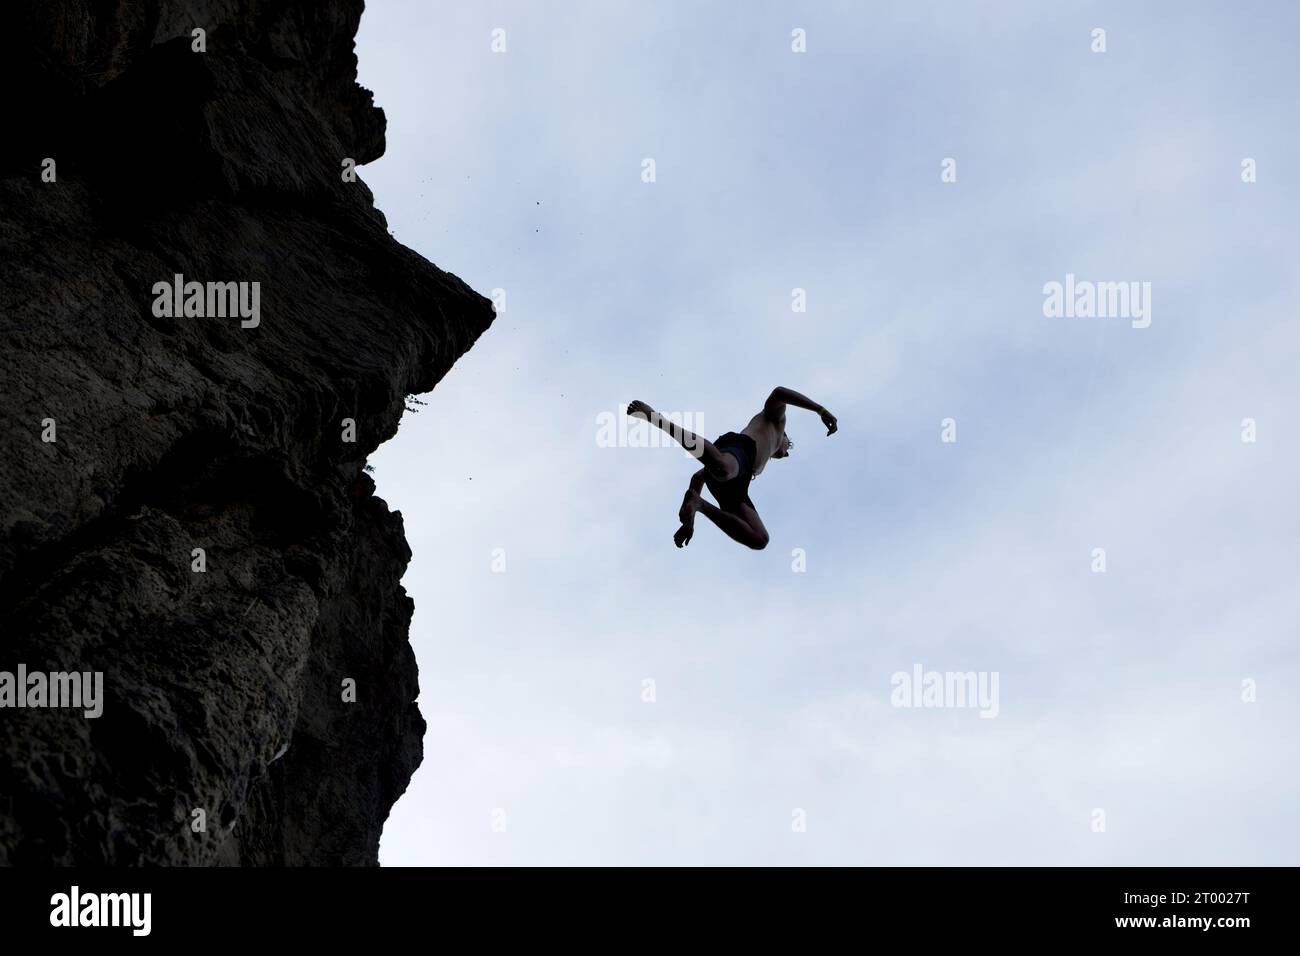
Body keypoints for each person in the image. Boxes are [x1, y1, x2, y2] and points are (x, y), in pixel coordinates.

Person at [627, 388, 837, 550]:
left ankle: (702, 505)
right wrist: (821, 410)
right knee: (723, 468)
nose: (787, 452)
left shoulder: (760, 463)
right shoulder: (775, 422)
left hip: (736, 483)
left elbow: (699, 477)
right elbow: (779, 392)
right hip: (740, 449)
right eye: (788, 445)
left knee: (760, 539)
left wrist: (690, 520)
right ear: (784, 437)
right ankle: (655, 418)